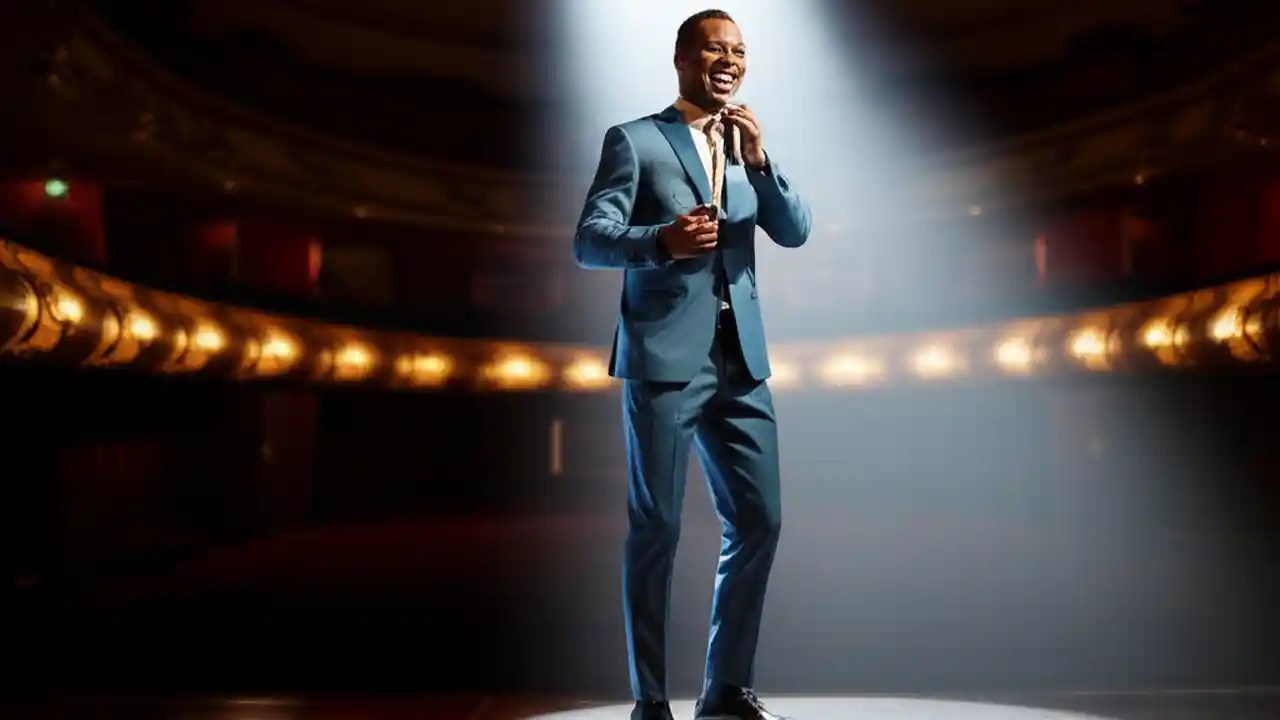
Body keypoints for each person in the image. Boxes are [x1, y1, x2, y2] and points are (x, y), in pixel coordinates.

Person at [573, 9, 811, 720]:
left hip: (742, 362)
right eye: (716, 48)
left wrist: (763, 161)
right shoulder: (636, 140)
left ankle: (725, 690)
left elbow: (794, 231)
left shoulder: (746, 146)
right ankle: (650, 700)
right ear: (683, 58)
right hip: (664, 360)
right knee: (658, 530)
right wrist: (660, 240)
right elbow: (590, 240)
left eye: (740, 50)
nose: (731, 60)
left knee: (760, 521)